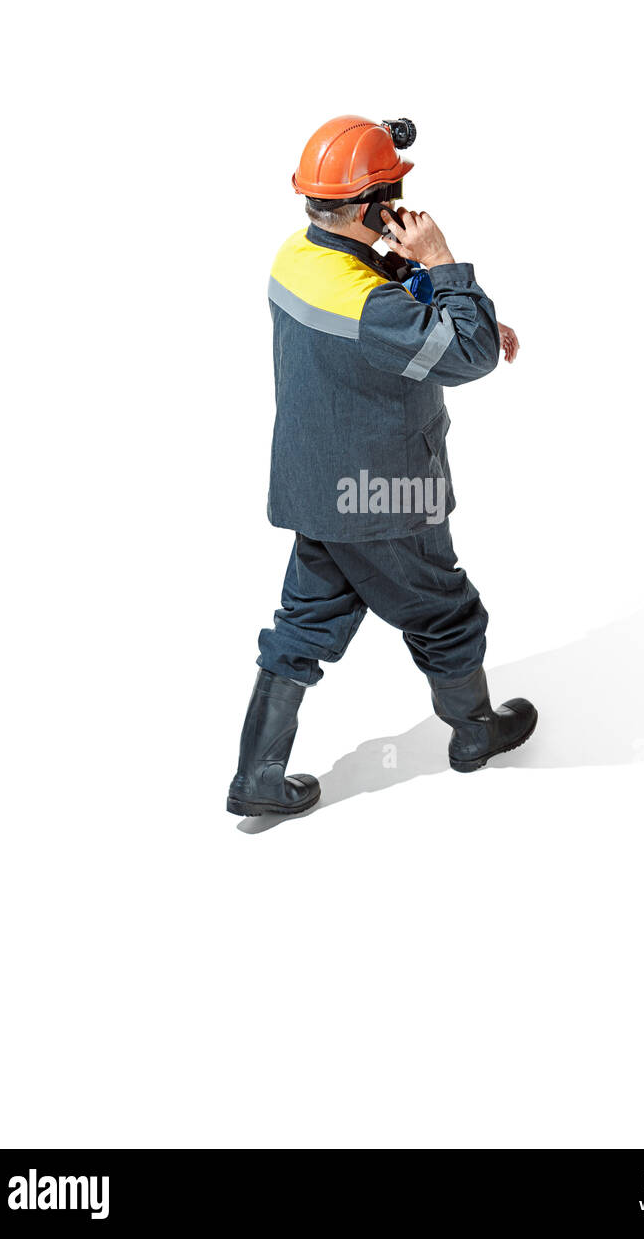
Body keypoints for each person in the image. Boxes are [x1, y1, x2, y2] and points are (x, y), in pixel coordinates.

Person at [228, 115, 537, 818]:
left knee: (302, 626)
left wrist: (454, 312)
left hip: (315, 484)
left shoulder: (296, 258)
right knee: (445, 611)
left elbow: (379, 296)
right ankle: (474, 733)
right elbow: (470, 359)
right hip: (383, 492)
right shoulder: (372, 306)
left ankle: (257, 777)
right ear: (370, 207)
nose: (403, 200)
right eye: (392, 190)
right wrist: (444, 264)